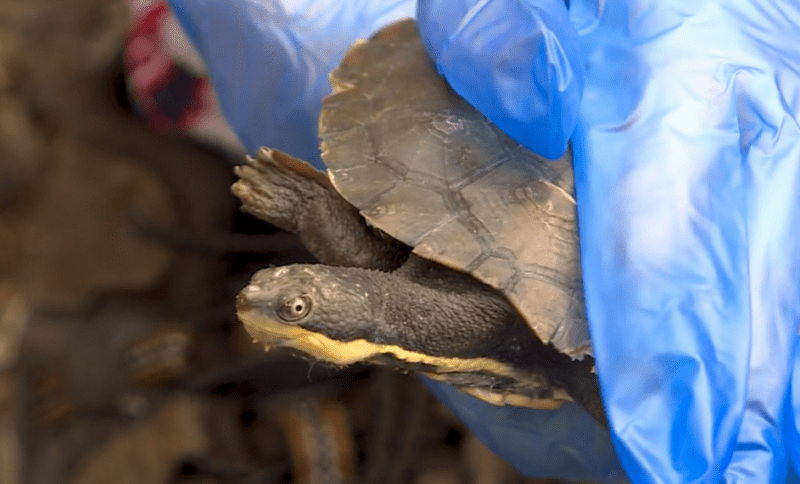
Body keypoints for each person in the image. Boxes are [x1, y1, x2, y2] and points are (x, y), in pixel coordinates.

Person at [162, 0, 800, 481]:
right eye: (290, 299)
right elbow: (384, 287)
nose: (266, 297)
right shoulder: (394, 291)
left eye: (295, 306)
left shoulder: (549, 346)